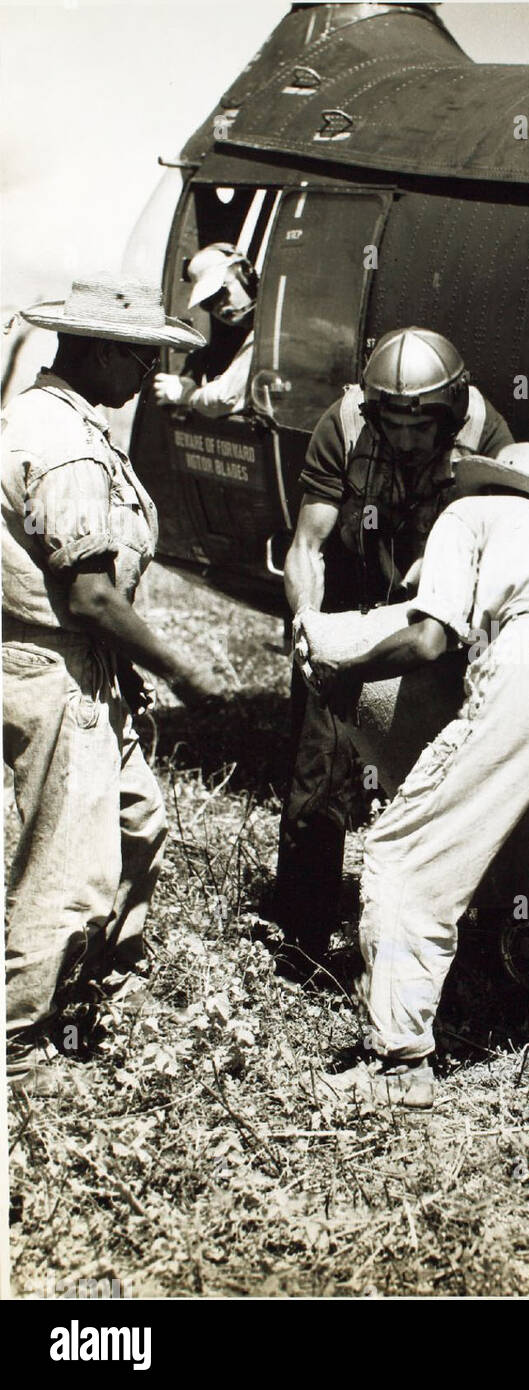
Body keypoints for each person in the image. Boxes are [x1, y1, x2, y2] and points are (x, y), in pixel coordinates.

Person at [310, 443, 529, 1109]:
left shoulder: (469, 514)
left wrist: (347, 671)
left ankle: (397, 1063)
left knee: (407, 853)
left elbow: (428, 640)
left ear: (487, 478)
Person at [3, 274, 226, 1092]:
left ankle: (100, 986)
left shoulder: (65, 420)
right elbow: (89, 594)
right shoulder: (61, 442)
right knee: (69, 857)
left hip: (87, 666)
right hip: (55, 663)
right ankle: (19, 1046)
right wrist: (182, 668)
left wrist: (124, 678)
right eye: (139, 358)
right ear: (100, 351)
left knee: (138, 822)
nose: (146, 377)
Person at [271, 326, 513, 963]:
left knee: (453, 757)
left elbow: (497, 551)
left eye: (422, 427)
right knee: (318, 753)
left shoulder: (489, 440)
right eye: (393, 426)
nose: (405, 441)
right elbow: (306, 545)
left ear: (452, 412)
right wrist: (311, 628)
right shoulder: (342, 426)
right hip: (354, 580)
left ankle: (466, 927)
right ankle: (302, 928)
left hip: (444, 600)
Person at [151, 243, 256, 418]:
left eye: (221, 293)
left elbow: (224, 398)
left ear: (245, 272)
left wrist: (187, 395)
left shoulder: (270, 326)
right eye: (209, 303)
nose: (219, 307)